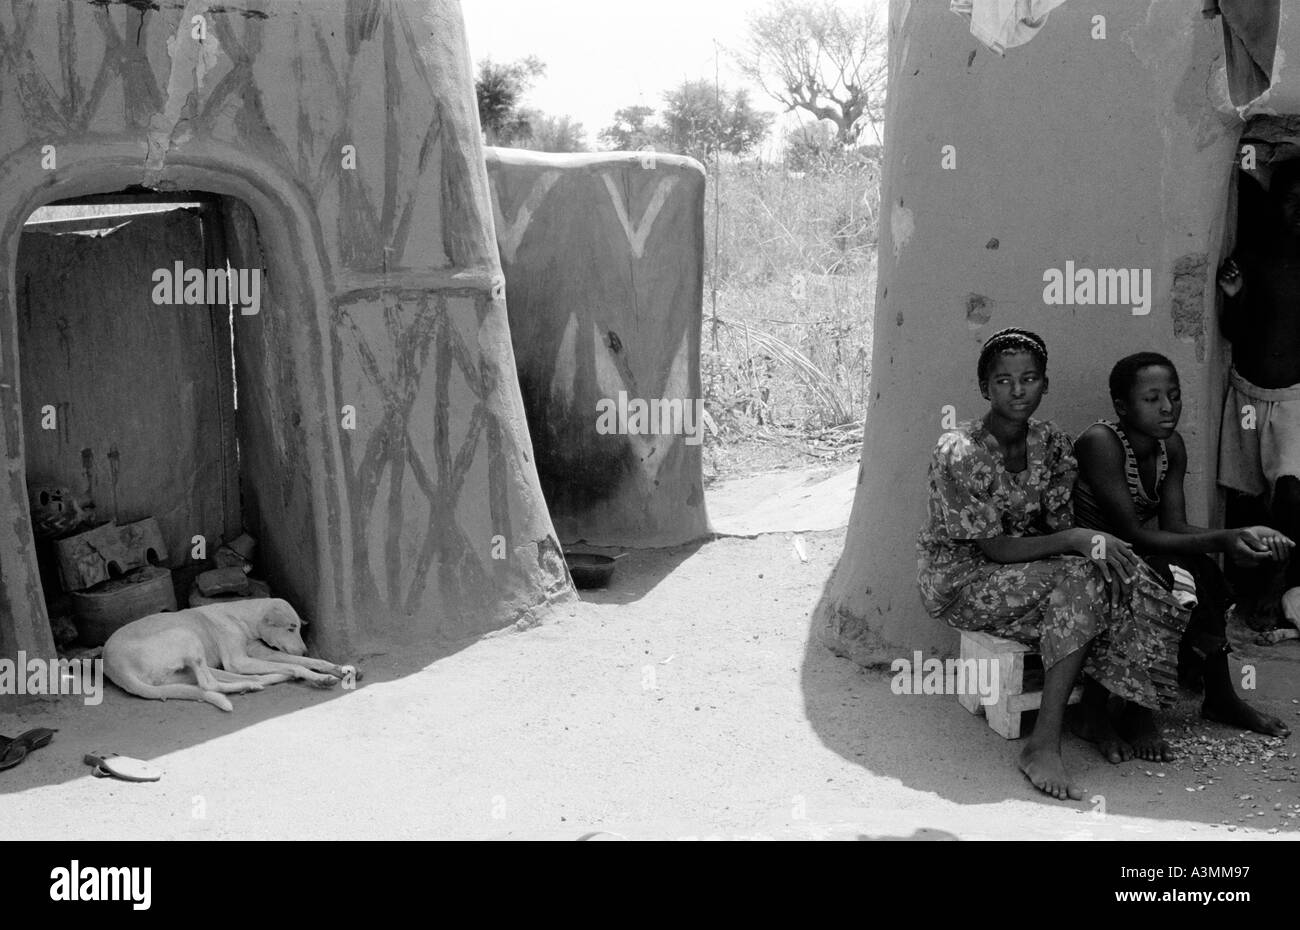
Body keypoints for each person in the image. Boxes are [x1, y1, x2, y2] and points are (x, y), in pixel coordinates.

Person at [917, 329, 1191, 801]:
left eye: (1029, 379)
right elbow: (995, 549)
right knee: (1086, 571)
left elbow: (1058, 528)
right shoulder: (959, 451)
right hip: (962, 580)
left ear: (1045, 384)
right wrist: (1078, 541)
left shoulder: (1053, 444)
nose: (1017, 391)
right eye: (1003, 381)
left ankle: (1112, 710)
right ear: (985, 388)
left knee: (1120, 569)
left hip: (1030, 572)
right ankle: (1043, 744)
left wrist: (1090, 549)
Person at [1074, 353, 1293, 763]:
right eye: (1151, 399)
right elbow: (1131, 533)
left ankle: (1221, 697)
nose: (1167, 407)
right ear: (1122, 407)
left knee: (1203, 571)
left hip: (1133, 554)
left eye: (1173, 396)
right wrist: (1225, 537)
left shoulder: (1170, 447)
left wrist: (1243, 535)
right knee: (1170, 578)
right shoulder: (1100, 443)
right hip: (1092, 557)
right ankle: (1139, 711)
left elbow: (1174, 526)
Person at [1217, 157, 1300, 624]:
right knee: (1246, 495)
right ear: (1273, 204)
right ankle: (1245, 580)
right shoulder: (1254, 258)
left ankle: (1277, 582)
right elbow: (1235, 332)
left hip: (1295, 400)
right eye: (1291, 200)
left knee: (1291, 493)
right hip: (1248, 393)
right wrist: (1235, 298)